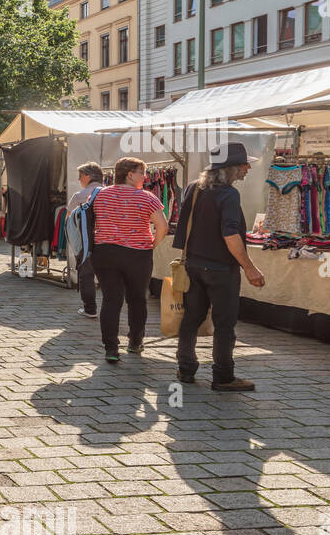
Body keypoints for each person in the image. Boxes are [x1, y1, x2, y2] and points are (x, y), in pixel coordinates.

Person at [173, 142, 266, 392]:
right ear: (232, 168)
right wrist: (249, 267)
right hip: (221, 270)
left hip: (193, 265)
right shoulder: (228, 194)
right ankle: (223, 376)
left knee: (191, 318)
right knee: (224, 323)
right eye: (244, 164)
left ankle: (185, 368)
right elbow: (231, 236)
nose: (248, 168)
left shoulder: (194, 188)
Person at [91, 157, 170, 363]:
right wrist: (153, 243)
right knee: (137, 299)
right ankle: (135, 341)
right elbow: (162, 226)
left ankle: (111, 348)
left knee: (111, 300)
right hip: (137, 254)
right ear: (129, 174)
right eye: (141, 172)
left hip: (105, 252)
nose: (145, 177)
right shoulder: (147, 197)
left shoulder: (99, 195)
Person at [68, 162, 106, 319]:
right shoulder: (110, 194)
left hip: (86, 242)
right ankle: (110, 308)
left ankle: (90, 309)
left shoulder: (79, 196)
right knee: (108, 277)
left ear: (88, 176)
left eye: (80, 176)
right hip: (107, 242)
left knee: (86, 275)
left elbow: (69, 219)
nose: (79, 179)